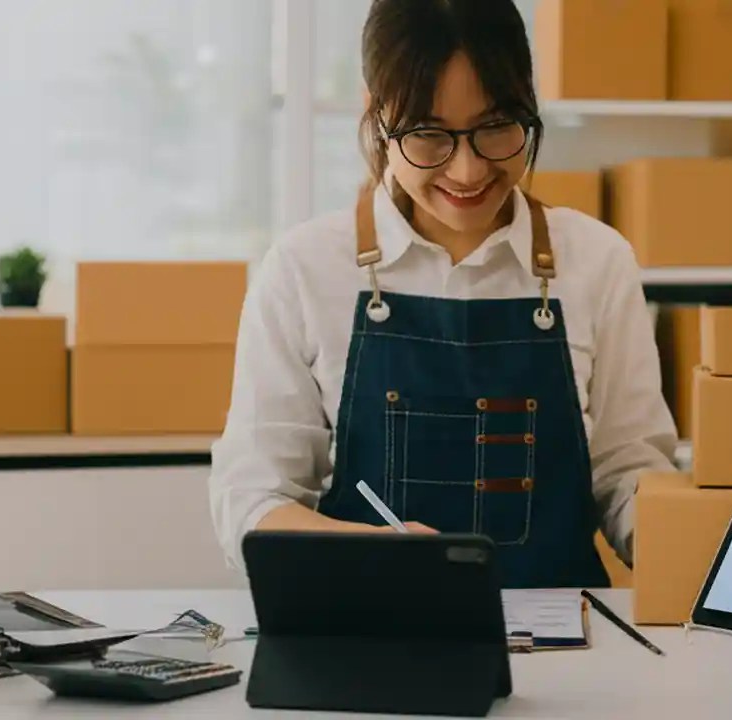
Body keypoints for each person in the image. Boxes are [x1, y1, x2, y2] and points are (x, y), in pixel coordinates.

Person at [208, 0, 677, 589]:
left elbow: (628, 472)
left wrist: (696, 550)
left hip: (567, 645)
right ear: (377, 116)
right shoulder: (304, 269)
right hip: (367, 634)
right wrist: (373, 552)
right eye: (429, 135)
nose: (467, 171)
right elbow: (252, 498)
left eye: (496, 129)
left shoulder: (598, 262)